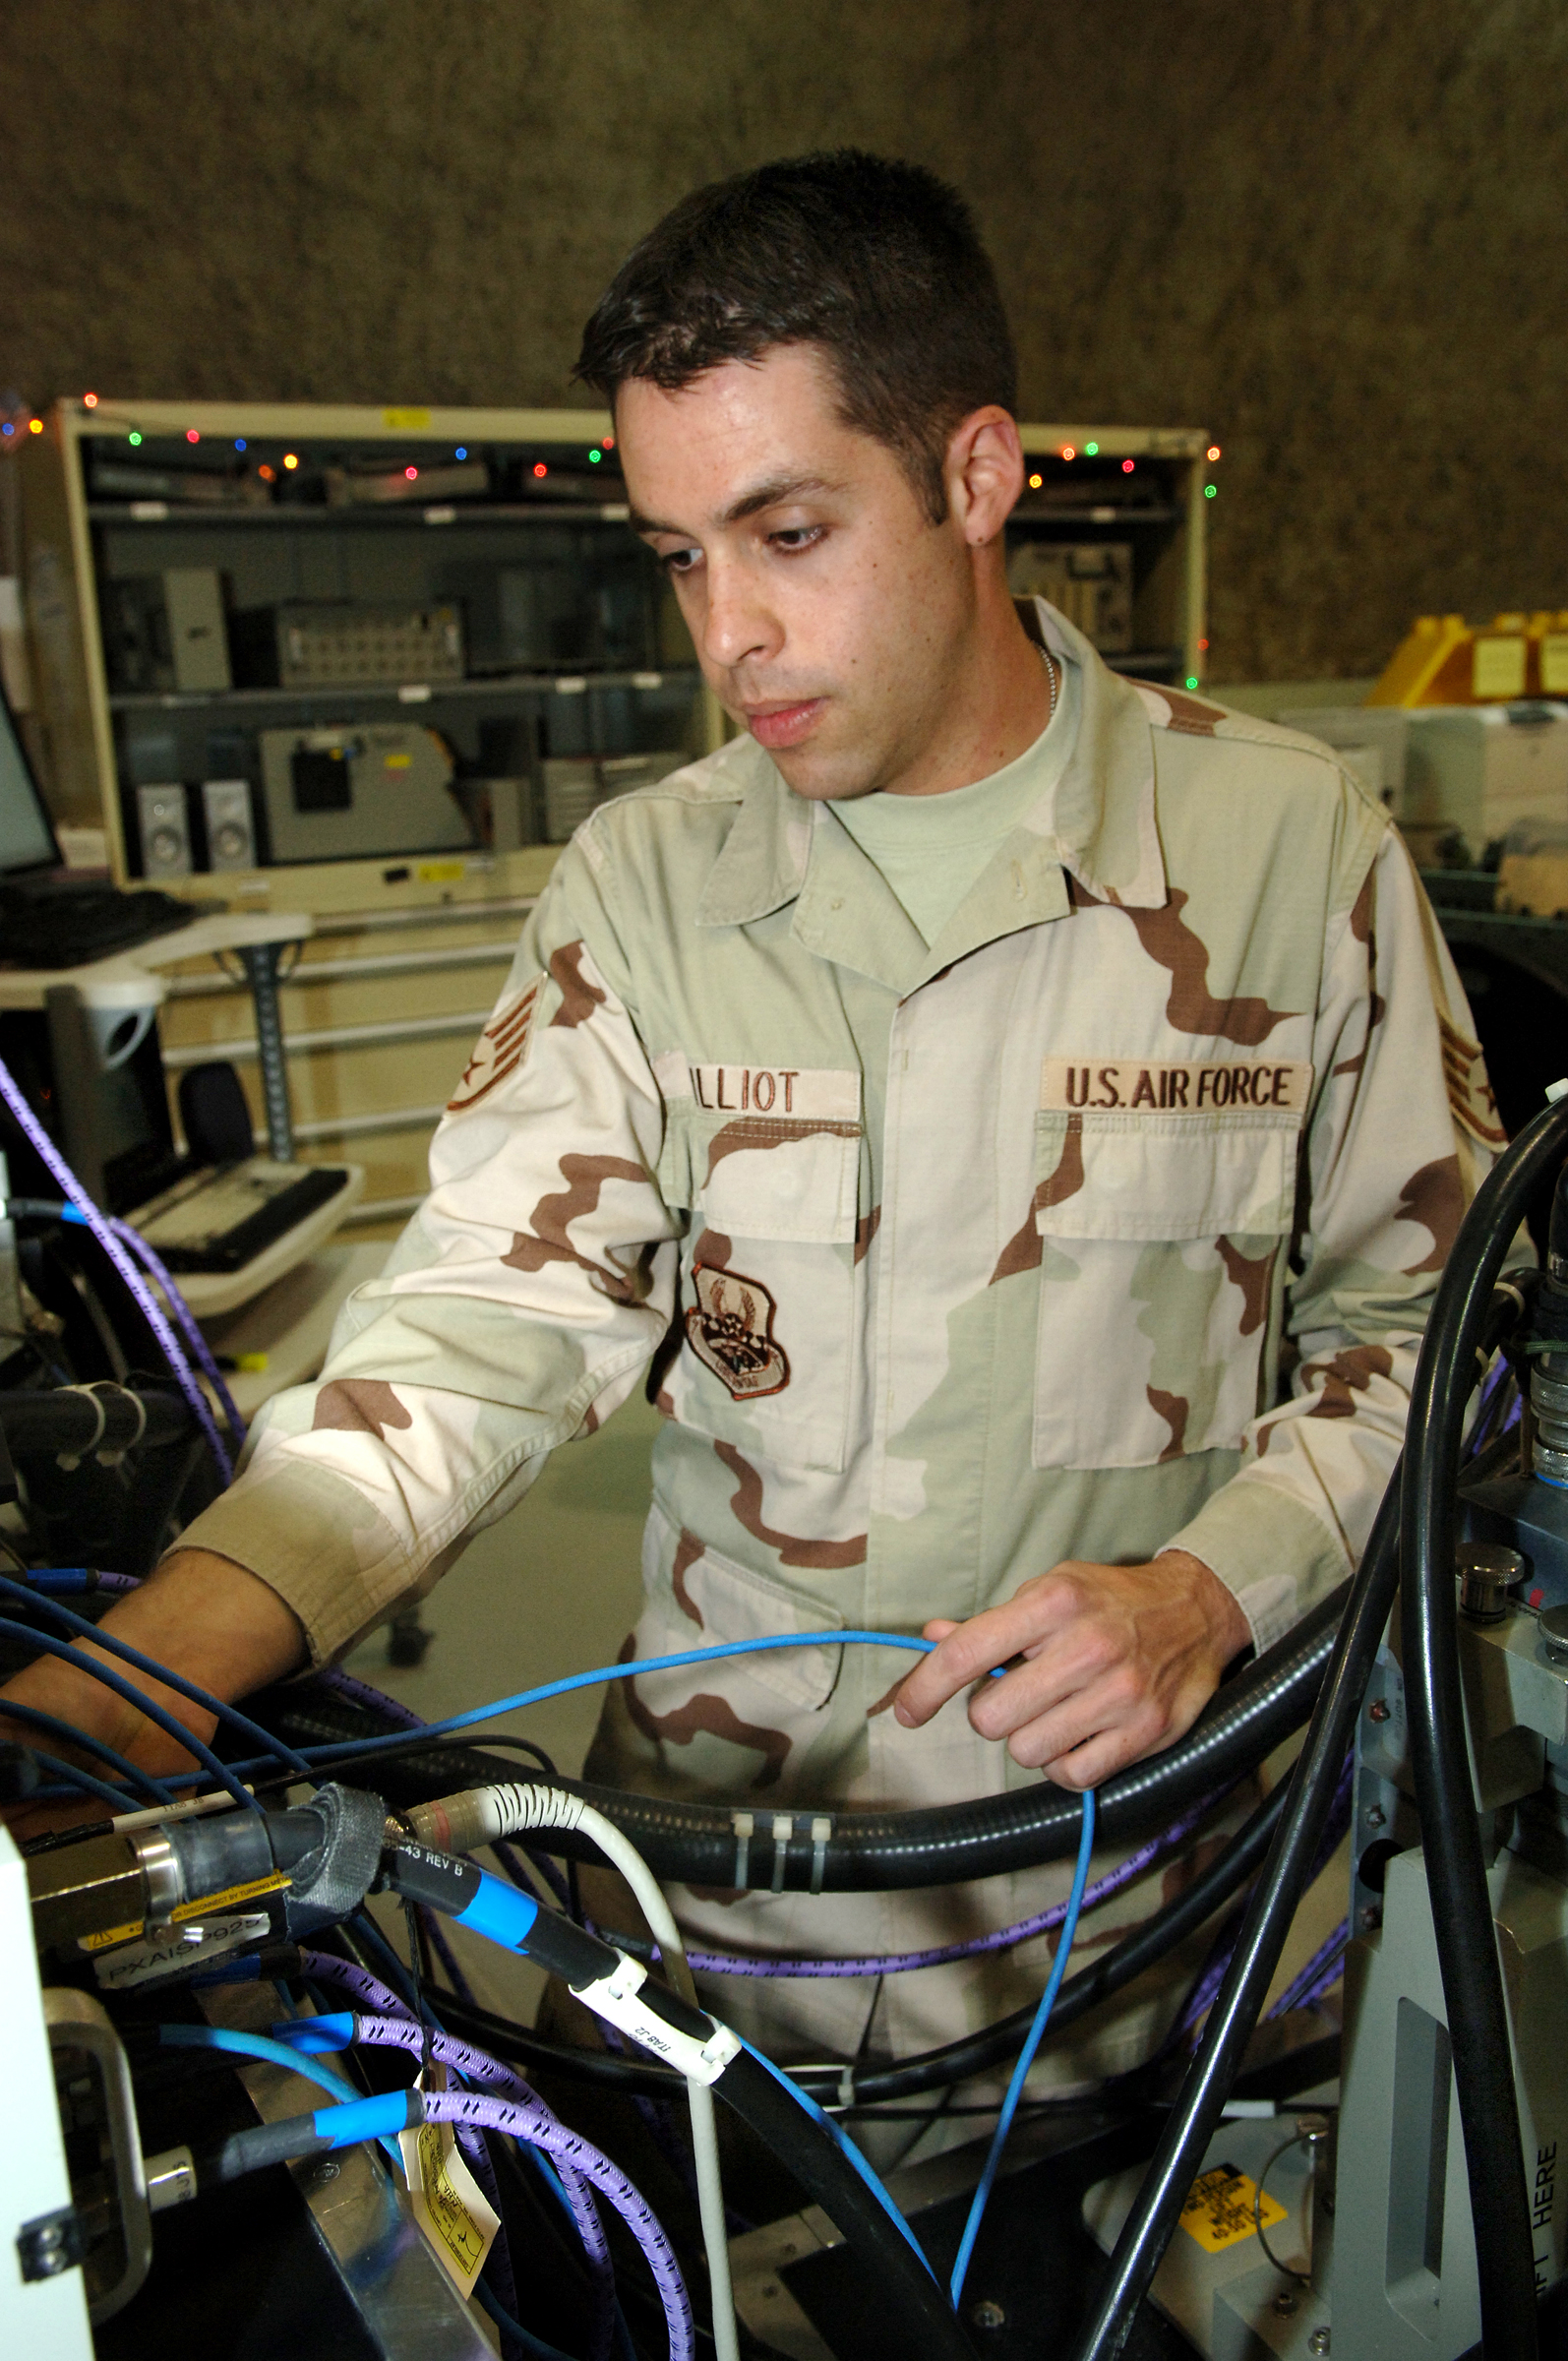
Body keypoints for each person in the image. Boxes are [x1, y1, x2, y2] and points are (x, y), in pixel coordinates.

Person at [0, 151, 1509, 2084]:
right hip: (720, 1939)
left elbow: (1429, 1342)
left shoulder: (1284, 850)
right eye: (679, 555)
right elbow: (477, 1345)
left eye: (786, 532)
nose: (726, 637)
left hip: (1141, 1926)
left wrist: (1213, 1584)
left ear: (974, 477)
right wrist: (144, 1690)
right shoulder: (647, 886)